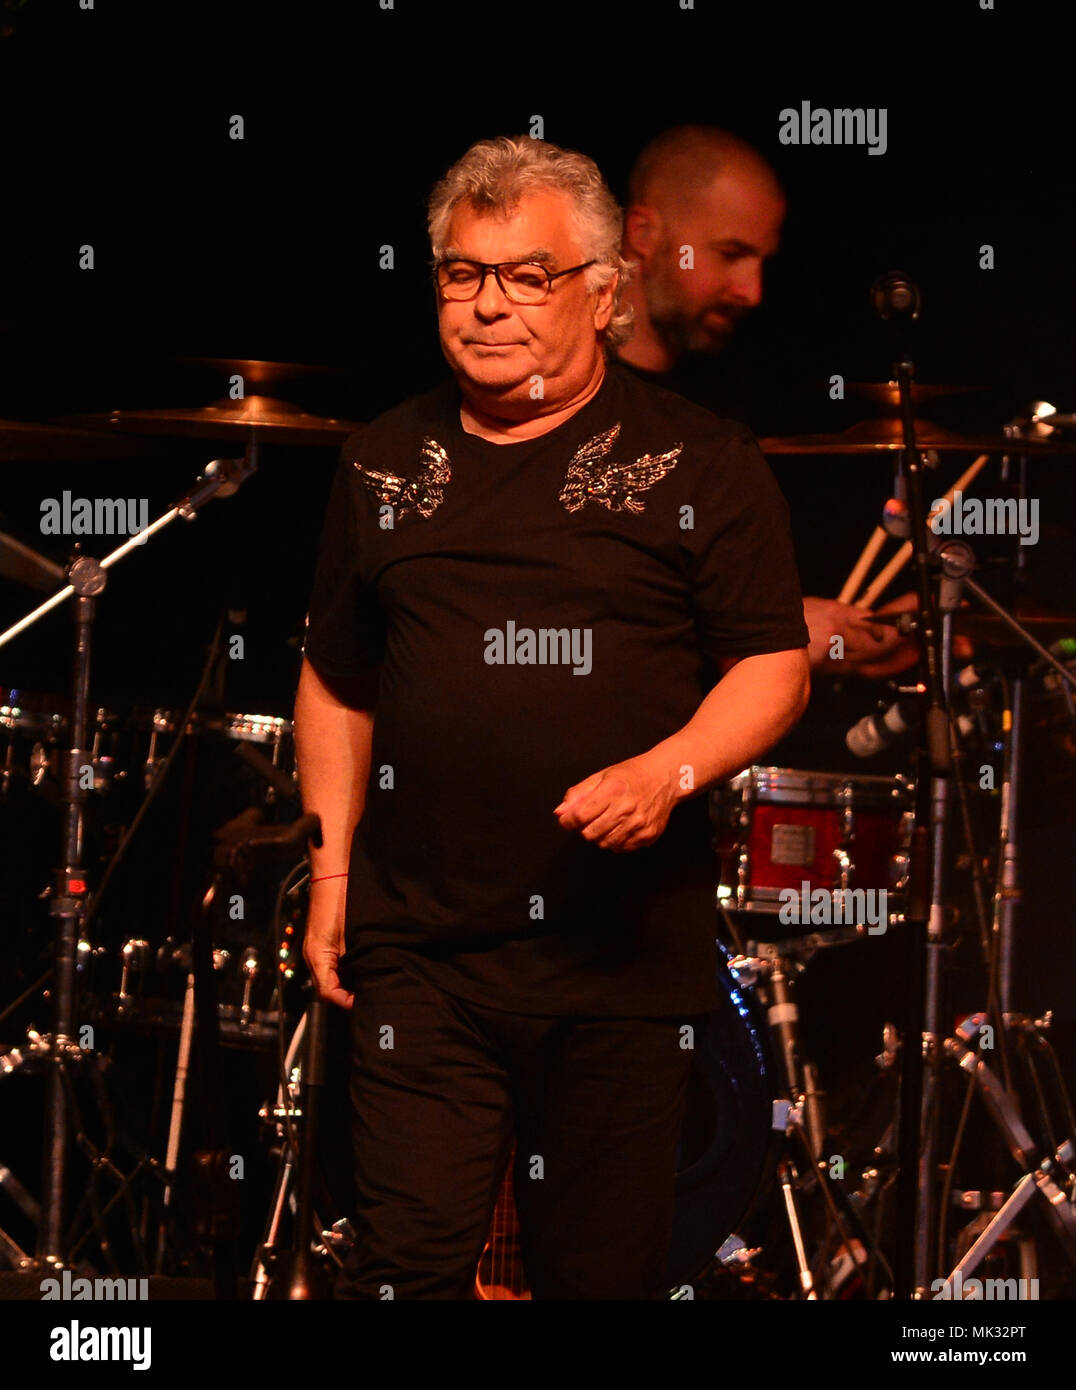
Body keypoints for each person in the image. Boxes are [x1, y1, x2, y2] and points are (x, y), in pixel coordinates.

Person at [294, 134, 810, 1300]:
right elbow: (336, 679)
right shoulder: (384, 464)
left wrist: (667, 772)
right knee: (405, 1271)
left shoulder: (696, 463)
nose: (487, 306)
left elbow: (771, 669)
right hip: (419, 956)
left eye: (526, 276)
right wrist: (331, 882)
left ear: (601, 288)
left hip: (615, 967)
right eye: (461, 273)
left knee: (595, 1278)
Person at [617, 124, 916, 681]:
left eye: (761, 262)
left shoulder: (714, 412)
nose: (751, 292)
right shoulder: (560, 399)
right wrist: (775, 632)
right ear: (643, 232)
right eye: (730, 255)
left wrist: (840, 632)